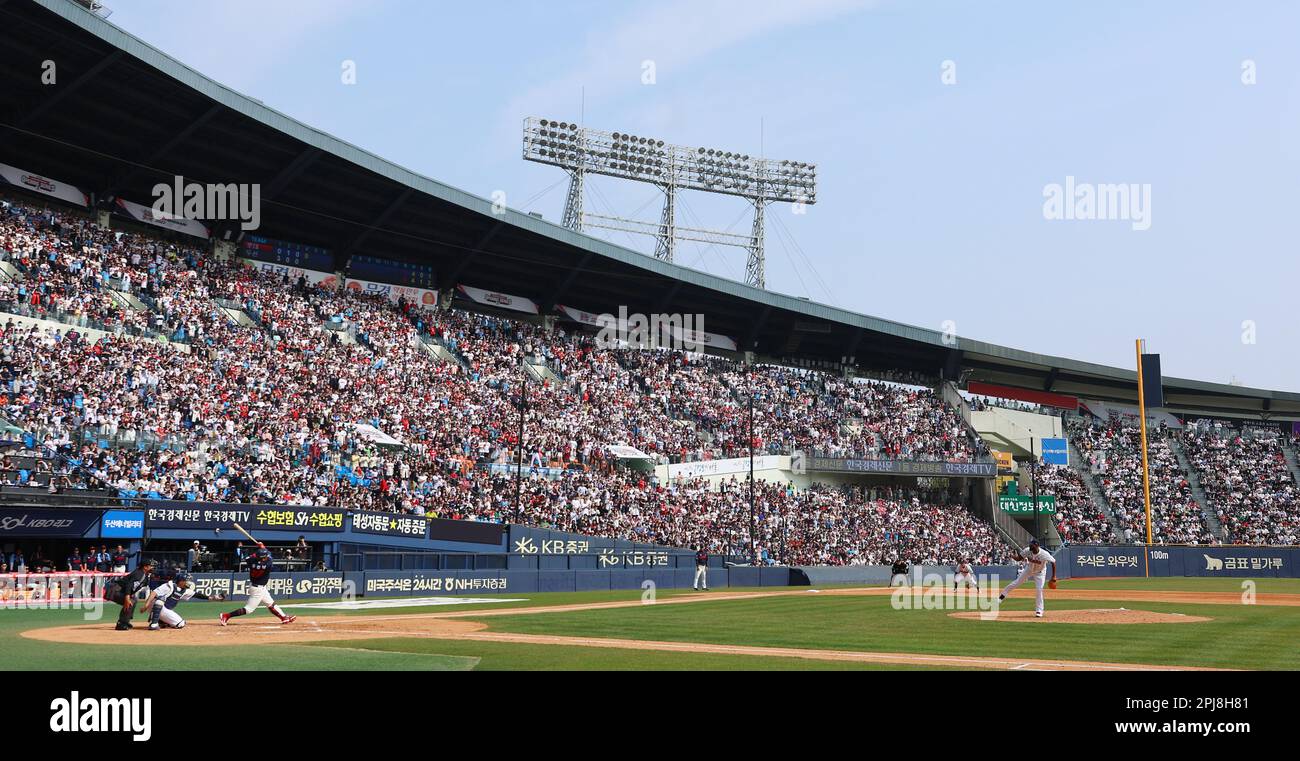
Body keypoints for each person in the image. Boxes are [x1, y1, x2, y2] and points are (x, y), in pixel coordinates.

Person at [219, 544, 296, 625]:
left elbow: (248, 558)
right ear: (262, 558)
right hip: (257, 589)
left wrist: (259, 551)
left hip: (257, 586)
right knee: (249, 609)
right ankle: (226, 615)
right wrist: (262, 546)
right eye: (264, 557)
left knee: (270, 603)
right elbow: (269, 556)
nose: (266, 557)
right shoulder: (267, 564)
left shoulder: (251, 561)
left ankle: (283, 617)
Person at [996, 539, 1056, 618]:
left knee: (1039, 590)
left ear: (1037, 546)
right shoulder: (1027, 550)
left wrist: (1054, 576)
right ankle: (1001, 597)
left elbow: (1053, 562)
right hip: (1029, 570)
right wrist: (1012, 556)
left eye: (1032, 545)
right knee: (1016, 582)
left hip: (1040, 573)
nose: (1030, 546)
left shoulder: (1044, 554)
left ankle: (1039, 611)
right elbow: (1018, 558)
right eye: (1030, 544)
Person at [142, 571, 222, 629]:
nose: (189, 583)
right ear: (181, 581)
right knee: (160, 600)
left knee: (181, 623)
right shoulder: (170, 586)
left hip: (163, 609)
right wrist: (146, 605)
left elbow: (197, 595)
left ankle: (161, 620)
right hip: (153, 606)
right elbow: (154, 593)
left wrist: (212, 598)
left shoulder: (184, 590)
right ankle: (154, 624)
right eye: (187, 581)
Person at [102, 558, 154, 630]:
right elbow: (129, 585)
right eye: (150, 566)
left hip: (119, 590)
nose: (152, 567)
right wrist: (127, 597)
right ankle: (121, 623)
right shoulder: (139, 573)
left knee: (134, 600)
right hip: (114, 591)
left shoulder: (144, 574)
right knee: (130, 601)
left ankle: (126, 621)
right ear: (145, 567)